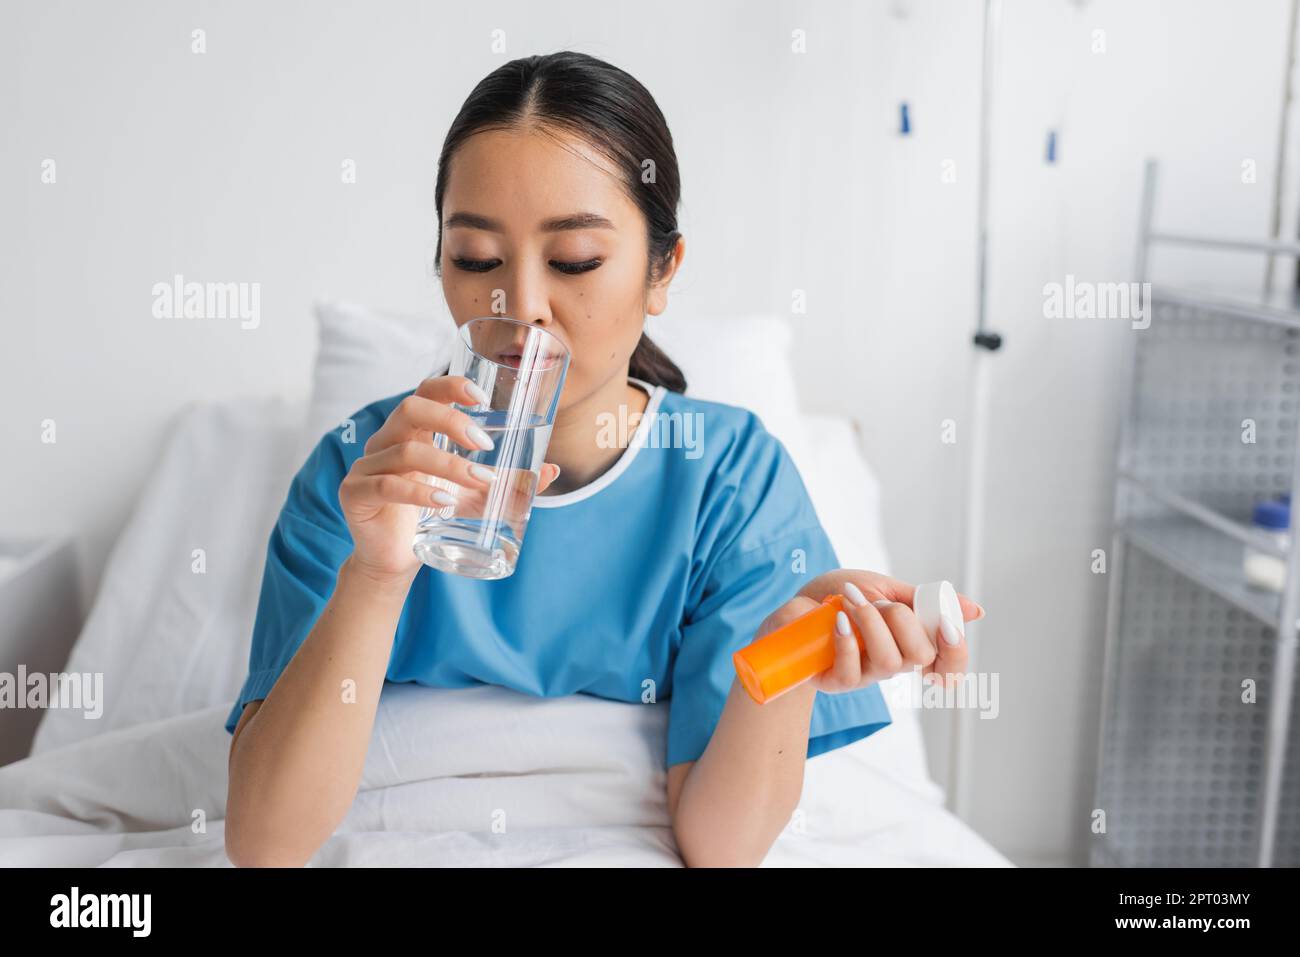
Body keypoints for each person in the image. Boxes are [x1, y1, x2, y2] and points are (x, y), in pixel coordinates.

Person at [223, 50, 981, 868]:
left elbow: (719, 846)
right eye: (476, 258)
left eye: (576, 260)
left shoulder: (730, 481)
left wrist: (788, 652)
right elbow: (264, 844)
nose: (522, 307)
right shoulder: (364, 473)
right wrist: (374, 576)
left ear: (663, 271)